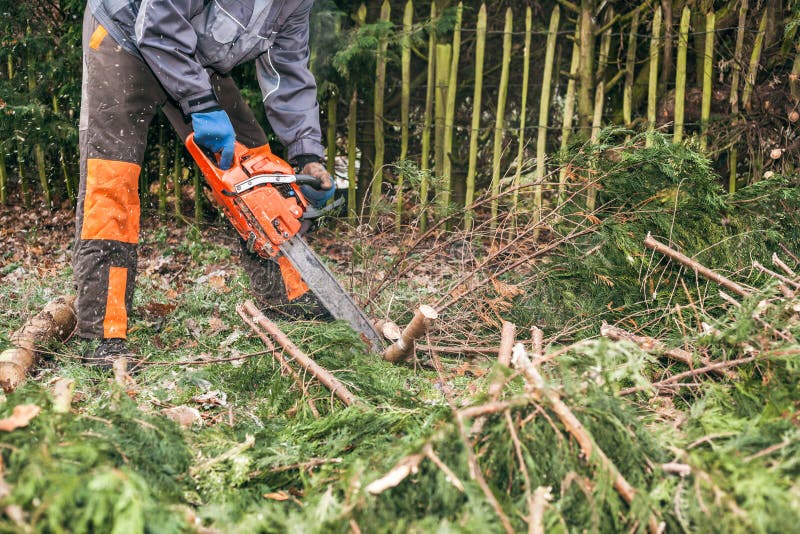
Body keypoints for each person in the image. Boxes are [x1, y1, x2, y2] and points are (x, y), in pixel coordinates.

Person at [75, 0, 335, 368]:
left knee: (254, 167)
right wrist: (198, 102)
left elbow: (287, 70)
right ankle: (103, 333)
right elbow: (158, 21)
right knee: (111, 180)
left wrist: (307, 153)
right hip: (125, 35)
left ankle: (287, 299)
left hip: (191, 52)